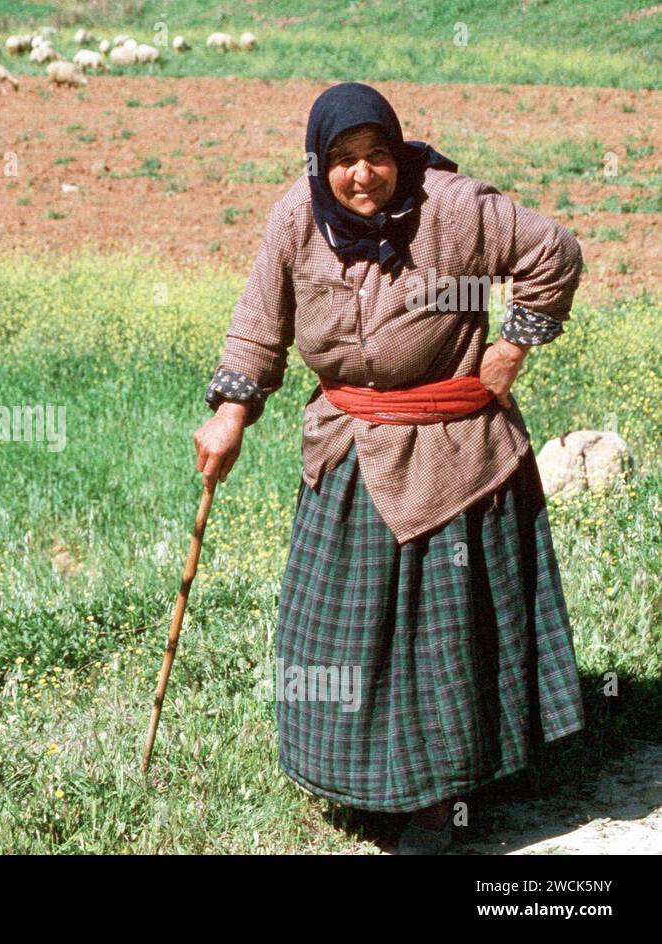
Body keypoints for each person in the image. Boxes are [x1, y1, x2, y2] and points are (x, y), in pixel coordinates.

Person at [193, 82, 585, 855]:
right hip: (346, 444)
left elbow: (554, 251)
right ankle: (359, 782)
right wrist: (231, 413)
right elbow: (258, 326)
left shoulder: (453, 207)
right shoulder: (295, 218)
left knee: (433, 643)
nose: (363, 175)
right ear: (319, 165)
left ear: (398, 155)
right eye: (342, 161)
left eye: (376, 156)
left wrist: (512, 346)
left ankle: (436, 804)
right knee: (337, 638)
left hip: (453, 456)